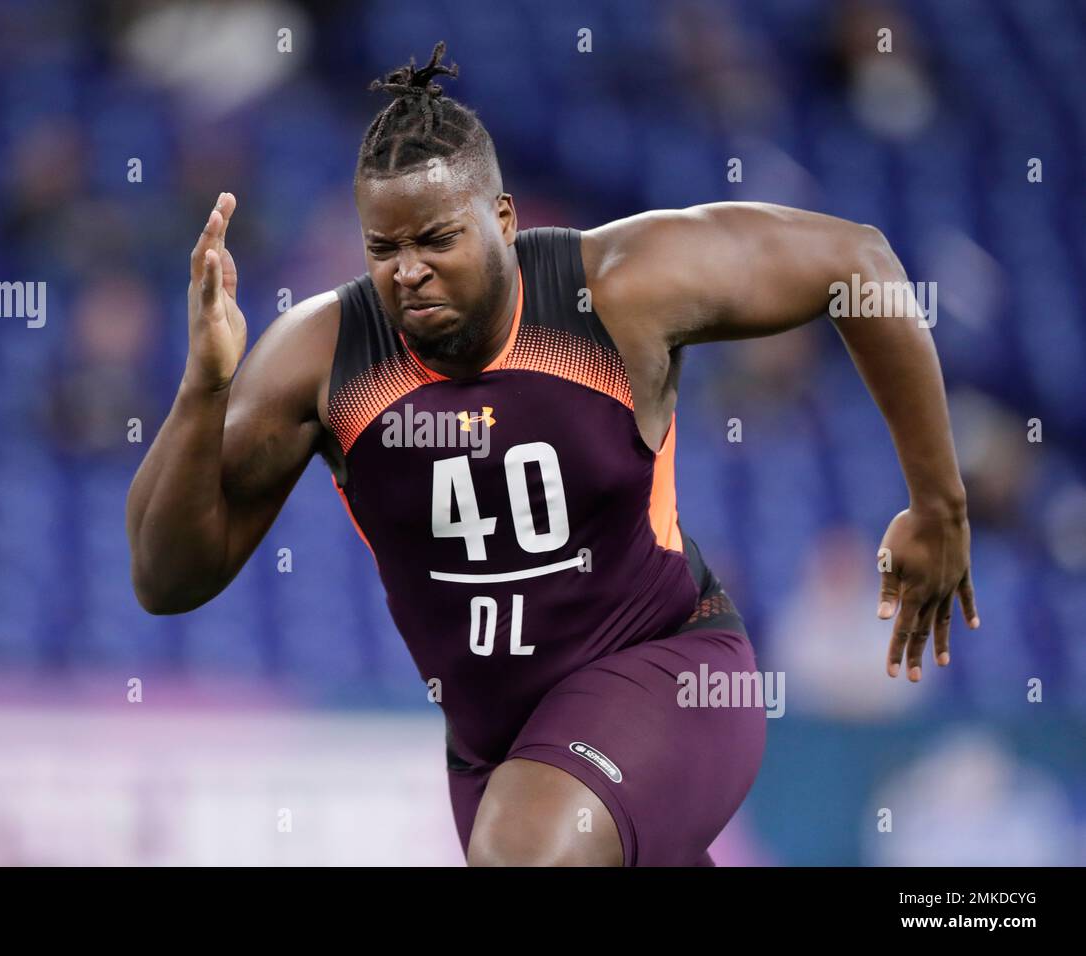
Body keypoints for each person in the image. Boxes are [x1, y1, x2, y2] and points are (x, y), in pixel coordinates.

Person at [126, 42, 979, 866]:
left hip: (662, 674)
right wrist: (204, 390)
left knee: (525, 853)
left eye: (436, 240)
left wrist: (939, 506)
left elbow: (857, 262)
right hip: (495, 751)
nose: (409, 272)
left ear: (503, 218)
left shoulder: (618, 289)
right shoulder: (322, 354)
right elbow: (167, 580)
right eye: (383, 249)